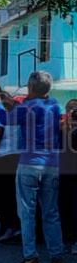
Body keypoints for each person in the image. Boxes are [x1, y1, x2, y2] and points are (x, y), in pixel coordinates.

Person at [0, 71, 65, 263]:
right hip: (52, 164)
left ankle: (31, 257)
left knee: (27, 213)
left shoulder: (27, 107)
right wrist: (11, 102)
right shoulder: (55, 106)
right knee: (51, 212)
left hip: (29, 163)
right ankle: (56, 257)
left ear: (31, 88)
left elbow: (6, 119)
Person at [0, 93, 23, 244]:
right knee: (17, 195)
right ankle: (19, 227)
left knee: (5, 196)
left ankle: (8, 228)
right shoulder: (24, 118)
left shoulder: (2, 117)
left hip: (4, 159)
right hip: (20, 159)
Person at [59, 99, 77, 254]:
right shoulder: (62, 125)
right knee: (64, 204)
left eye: (75, 109)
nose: (72, 112)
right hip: (63, 171)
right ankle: (66, 236)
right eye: (70, 109)